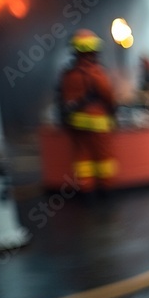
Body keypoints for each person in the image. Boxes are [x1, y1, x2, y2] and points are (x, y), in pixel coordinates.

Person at [58, 29, 118, 192]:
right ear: (92, 50)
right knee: (104, 160)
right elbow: (108, 95)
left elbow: (62, 97)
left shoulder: (68, 75)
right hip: (98, 123)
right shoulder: (96, 72)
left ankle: (87, 193)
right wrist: (114, 112)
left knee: (83, 160)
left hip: (76, 124)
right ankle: (106, 192)